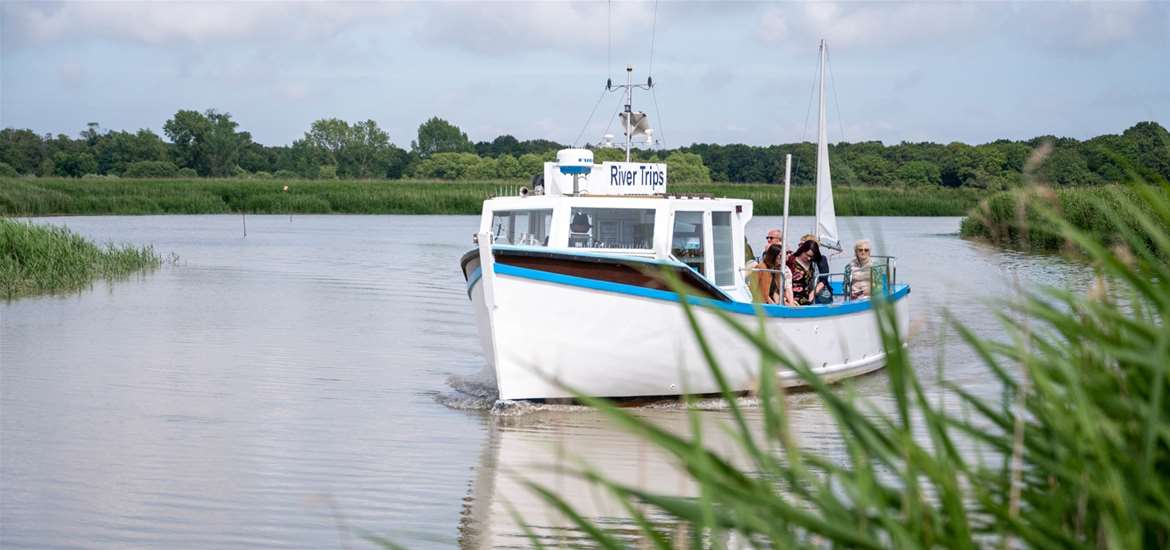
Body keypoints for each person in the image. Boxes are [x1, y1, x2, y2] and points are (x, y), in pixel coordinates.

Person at [786, 239, 821, 306]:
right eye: (807, 255)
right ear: (802, 250)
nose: (809, 258)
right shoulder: (791, 261)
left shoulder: (812, 263)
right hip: (791, 297)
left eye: (811, 256)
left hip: (806, 298)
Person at [800, 234, 834, 304]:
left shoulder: (821, 259)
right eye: (799, 245)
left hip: (820, 290)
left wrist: (812, 294)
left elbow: (823, 281)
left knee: (823, 298)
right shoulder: (798, 260)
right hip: (803, 290)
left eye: (802, 245)